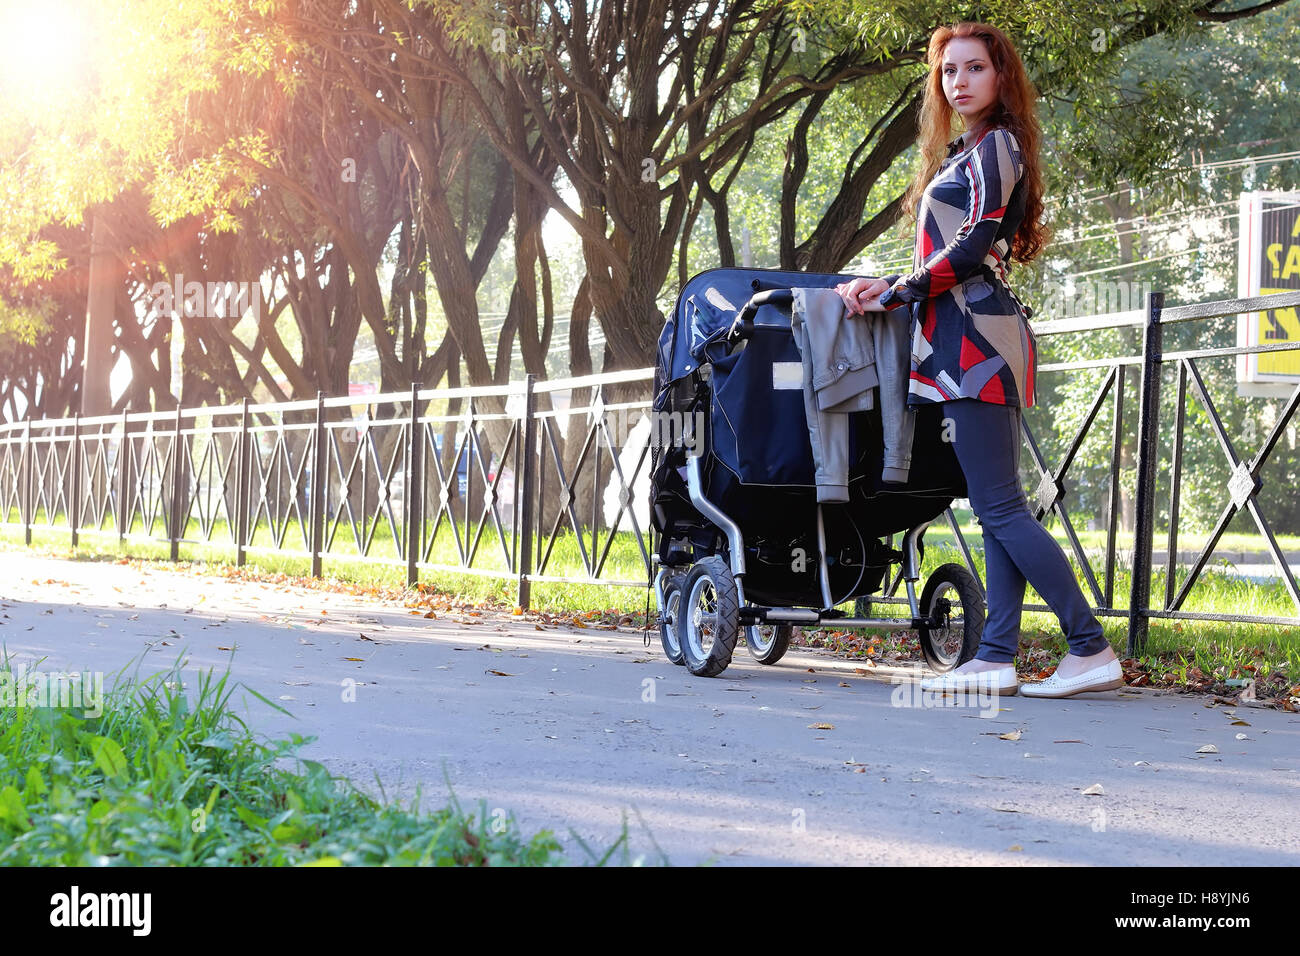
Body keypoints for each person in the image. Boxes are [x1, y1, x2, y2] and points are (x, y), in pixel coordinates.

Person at [834, 21, 1122, 699]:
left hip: (977, 338)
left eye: (973, 69)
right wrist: (891, 285)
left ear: (1001, 78)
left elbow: (969, 250)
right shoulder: (968, 150)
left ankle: (1089, 646)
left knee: (999, 508)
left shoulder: (999, 145)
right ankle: (995, 656)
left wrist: (898, 292)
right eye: (948, 72)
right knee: (997, 508)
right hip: (957, 336)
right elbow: (950, 255)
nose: (958, 82)